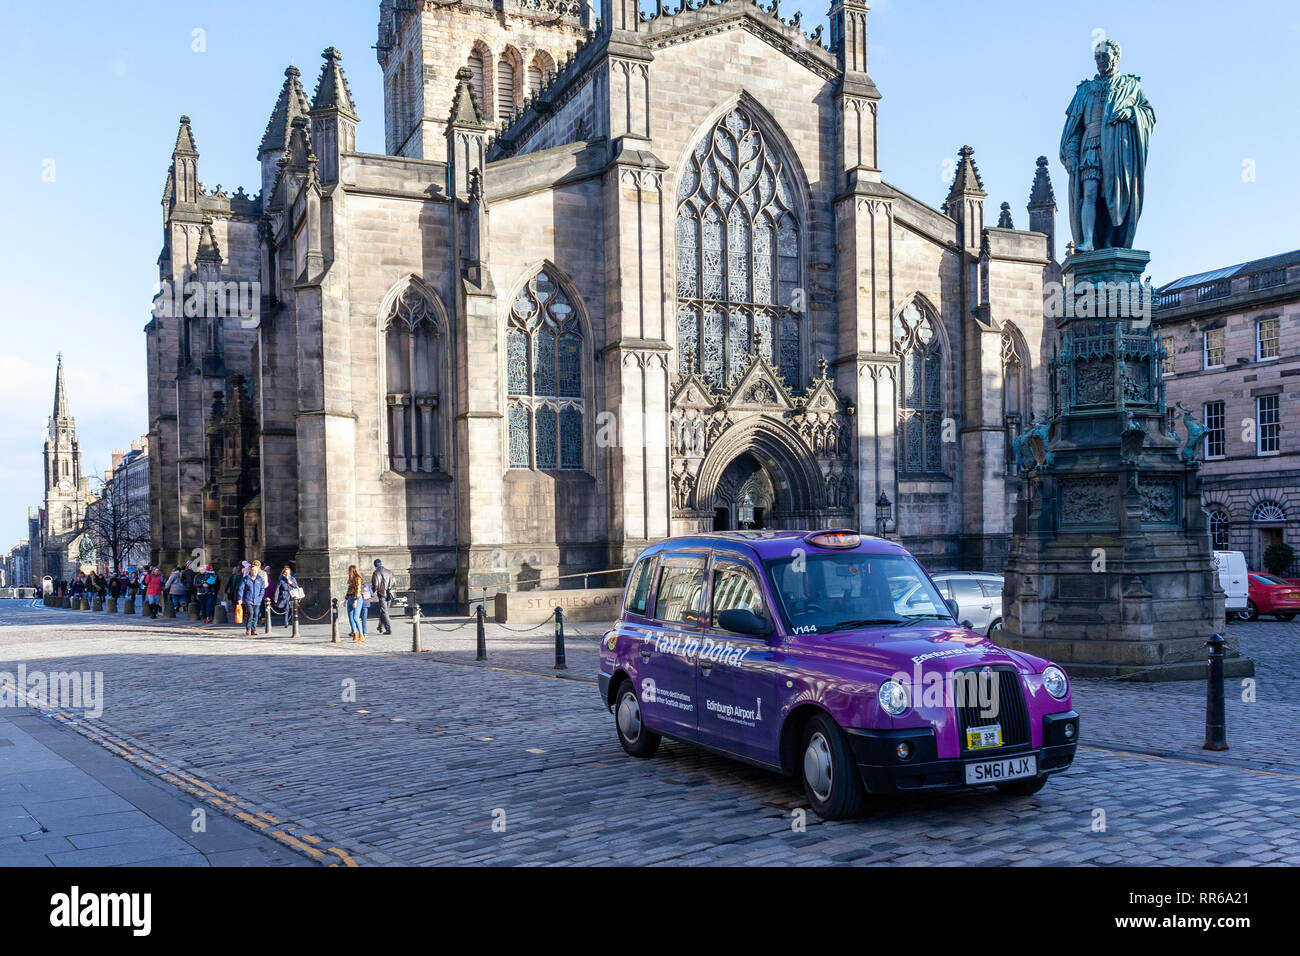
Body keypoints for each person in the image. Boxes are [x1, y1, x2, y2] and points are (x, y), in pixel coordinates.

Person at [237, 560, 268, 636]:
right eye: (253, 570)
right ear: (250, 570)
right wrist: (240, 598)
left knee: (256, 614)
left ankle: (254, 629)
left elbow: (262, 589)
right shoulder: (246, 578)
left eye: (255, 571)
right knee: (250, 613)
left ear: (257, 571)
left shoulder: (259, 579)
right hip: (248, 599)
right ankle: (248, 629)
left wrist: (260, 597)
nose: (254, 572)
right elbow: (241, 588)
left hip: (257, 600)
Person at [370, 559, 396, 635]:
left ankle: (388, 629)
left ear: (375, 566)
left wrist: (371, 593)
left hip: (382, 595)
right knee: (384, 611)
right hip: (390, 594)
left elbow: (375, 585)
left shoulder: (376, 573)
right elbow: (394, 583)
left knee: (384, 612)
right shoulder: (389, 572)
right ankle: (380, 626)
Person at [345, 565, 367, 643]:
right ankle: (355, 633)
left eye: (349, 571)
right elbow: (349, 589)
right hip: (350, 597)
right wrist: (346, 599)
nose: (348, 572)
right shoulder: (351, 579)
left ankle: (361, 635)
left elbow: (358, 590)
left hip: (357, 598)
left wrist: (355, 600)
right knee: (350, 617)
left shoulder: (358, 579)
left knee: (355, 617)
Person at [273, 564, 299, 630]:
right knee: (286, 609)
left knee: (293, 609)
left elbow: (296, 586)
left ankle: (290, 620)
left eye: (288, 572)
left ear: (290, 572)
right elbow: (277, 589)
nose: (286, 574)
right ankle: (286, 622)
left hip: (292, 596)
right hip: (285, 596)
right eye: (285, 572)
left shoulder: (292, 578)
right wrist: (275, 598)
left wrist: (291, 583)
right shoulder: (281, 579)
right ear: (284, 573)